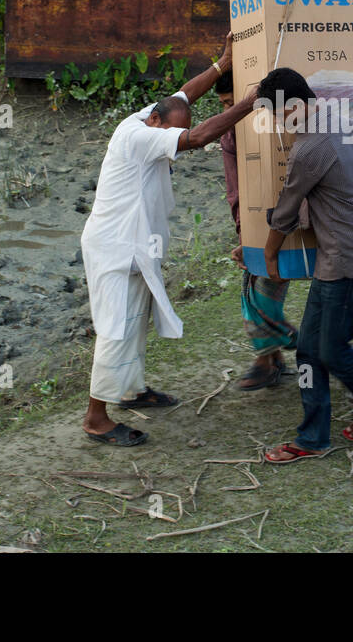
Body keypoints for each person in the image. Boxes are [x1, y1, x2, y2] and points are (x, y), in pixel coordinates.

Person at [81, 34, 257, 447]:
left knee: (135, 323)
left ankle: (130, 390)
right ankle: (95, 419)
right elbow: (195, 137)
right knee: (115, 328)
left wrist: (221, 64)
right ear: (157, 125)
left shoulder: (148, 116)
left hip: (136, 247)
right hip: (115, 248)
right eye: (172, 134)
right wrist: (249, 103)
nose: (178, 144)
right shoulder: (139, 137)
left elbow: (184, 95)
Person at [258, 68, 353, 463]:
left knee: (332, 349)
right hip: (351, 254)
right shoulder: (345, 123)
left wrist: (268, 254)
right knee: (308, 348)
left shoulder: (310, 147)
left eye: (277, 116)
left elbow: (286, 210)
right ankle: (313, 435)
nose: (277, 125)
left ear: (293, 106)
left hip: (347, 263)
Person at [216, 71, 297, 390]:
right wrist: (242, 231)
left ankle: (284, 345)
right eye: (222, 104)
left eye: (230, 103)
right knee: (251, 290)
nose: (227, 111)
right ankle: (273, 358)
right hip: (248, 222)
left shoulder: (268, 128)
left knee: (265, 292)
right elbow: (235, 187)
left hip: (275, 222)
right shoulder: (231, 133)